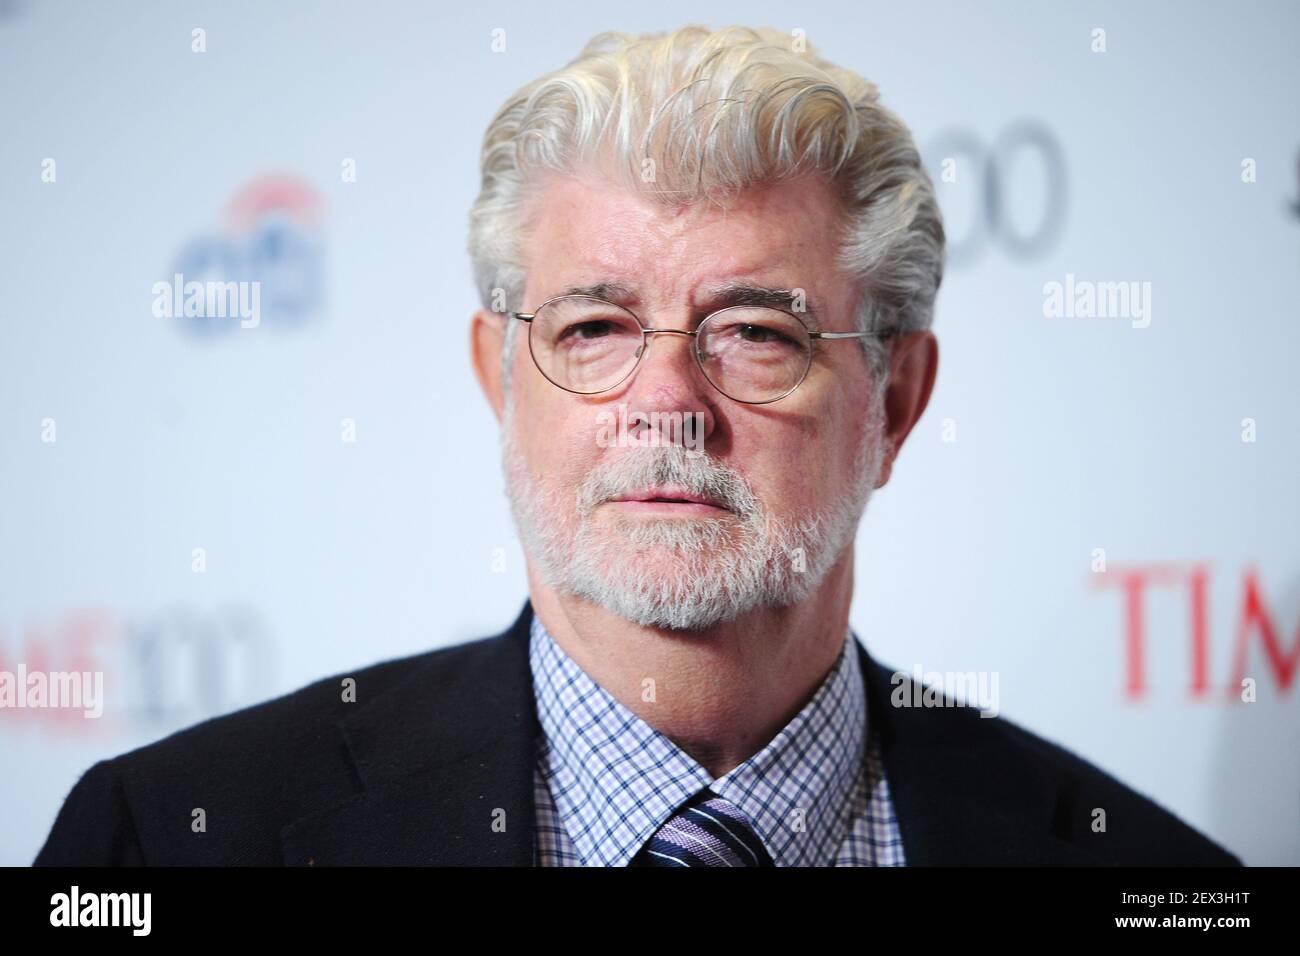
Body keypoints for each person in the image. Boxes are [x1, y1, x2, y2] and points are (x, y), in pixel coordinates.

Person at [35, 24, 1238, 867]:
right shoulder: (174, 837)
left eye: (756, 331)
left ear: (896, 402)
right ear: (500, 376)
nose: (665, 401)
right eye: (595, 325)